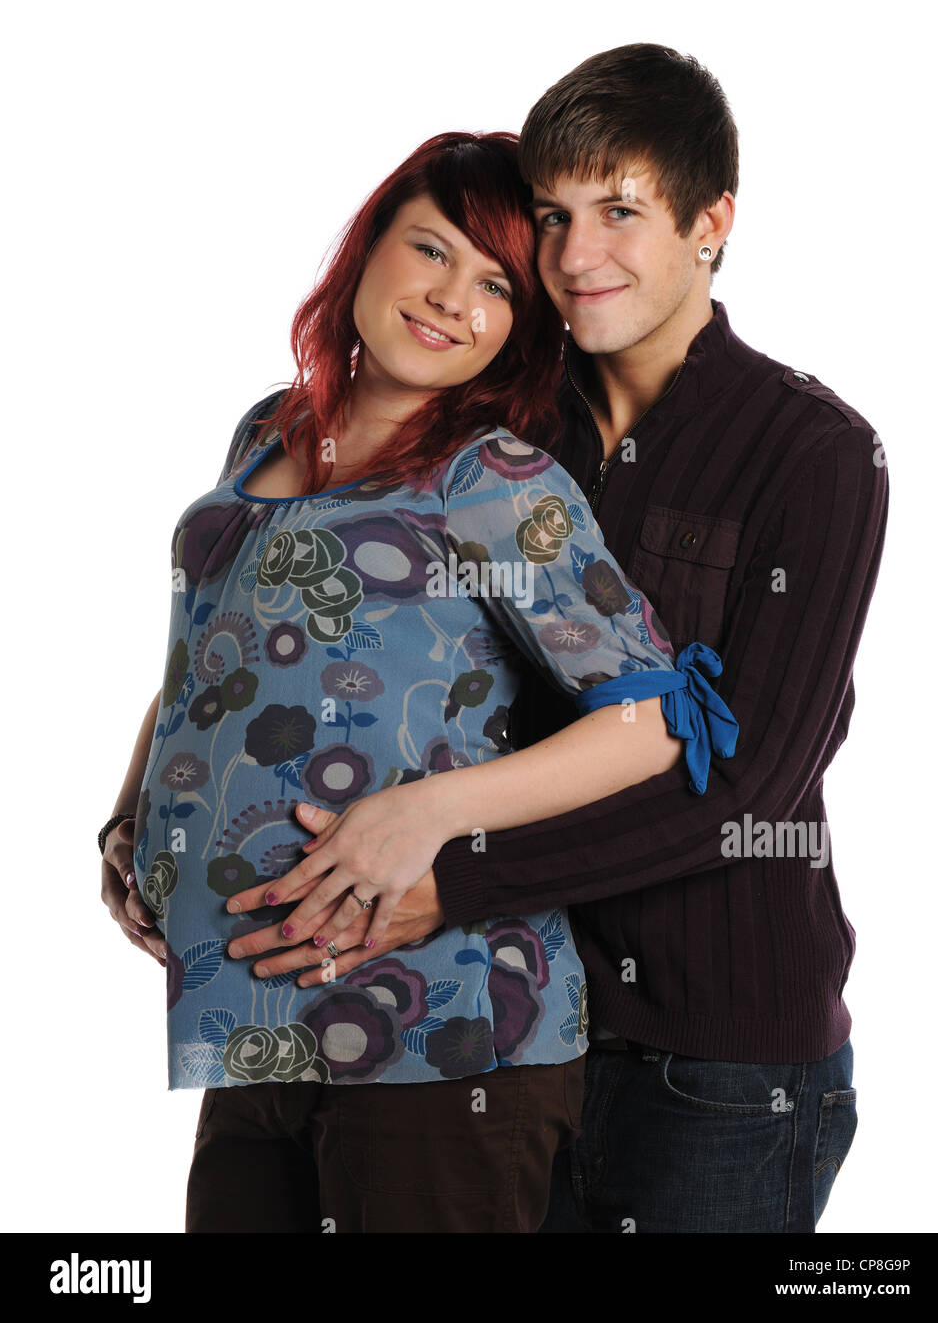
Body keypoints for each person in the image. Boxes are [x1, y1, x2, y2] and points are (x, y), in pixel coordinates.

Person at [264, 44, 890, 1234]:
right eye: (552, 217)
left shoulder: (813, 453)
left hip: (721, 1068)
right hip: (510, 1029)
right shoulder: (501, 429)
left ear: (712, 222)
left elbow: (744, 778)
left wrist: (452, 878)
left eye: (621, 211)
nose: (575, 256)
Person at [99, 128, 738, 1234]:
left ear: (523, 324)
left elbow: (652, 721)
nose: (452, 299)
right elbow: (208, 650)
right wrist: (130, 811)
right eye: (432, 250)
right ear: (370, 245)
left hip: (444, 1037)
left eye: (496, 284)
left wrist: (421, 814)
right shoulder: (269, 429)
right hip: (254, 1023)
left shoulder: (495, 476)